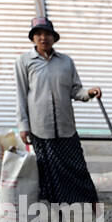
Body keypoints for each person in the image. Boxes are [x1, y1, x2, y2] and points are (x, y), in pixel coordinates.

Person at [14, 16, 101, 205]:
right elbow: (21, 94)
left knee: (78, 169)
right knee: (50, 174)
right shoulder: (24, 61)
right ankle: (57, 212)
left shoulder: (66, 62)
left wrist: (89, 93)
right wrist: (23, 125)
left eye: (47, 34)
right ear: (33, 38)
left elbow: (75, 90)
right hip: (40, 129)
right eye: (38, 34)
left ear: (54, 38)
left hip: (66, 127)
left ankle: (92, 207)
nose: (43, 38)